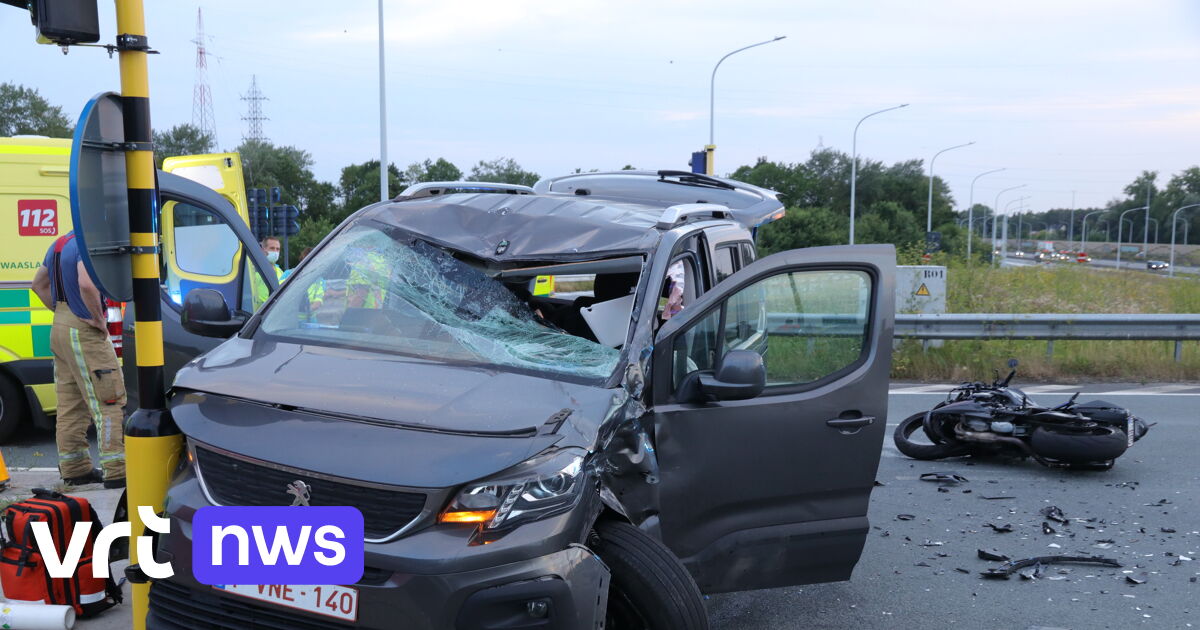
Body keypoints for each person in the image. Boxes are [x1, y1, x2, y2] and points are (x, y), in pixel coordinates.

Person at [29, 232, 125, 488]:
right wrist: (97, 319)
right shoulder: (87, 242)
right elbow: (86, 283)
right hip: (83, 329)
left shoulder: (60, 243)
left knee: (70, 403)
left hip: (59, 325)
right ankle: (117, 470)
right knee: (109, 398)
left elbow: (37, 284)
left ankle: (75, 468)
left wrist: (63, 312)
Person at [251, 236, 286, 309]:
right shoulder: (254, 270)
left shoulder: (280, 271)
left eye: (278, 249)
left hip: (274, 311)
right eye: (272, 248)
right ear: (262, 250)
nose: (275, 252)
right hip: (259, 312)